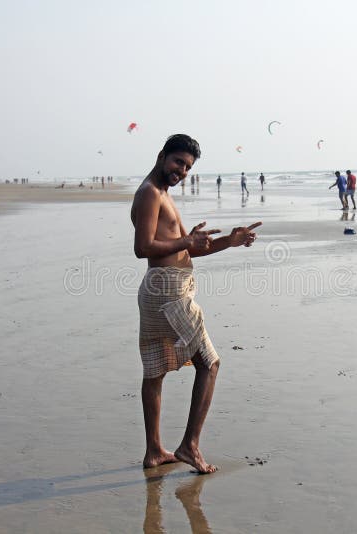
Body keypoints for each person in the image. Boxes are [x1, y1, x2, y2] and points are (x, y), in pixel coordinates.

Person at [131, 134, 261, 474]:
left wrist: (229, 242)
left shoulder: (161, 194)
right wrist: (187, 240)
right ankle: (189, 445)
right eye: (178, 162)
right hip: (169, 292)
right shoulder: (149, 193)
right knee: (209, 363)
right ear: (162, 156)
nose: (181, 171)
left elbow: (187, 249)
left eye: (187, 167)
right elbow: (142, 247)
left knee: (155, 371)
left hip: (161, 290)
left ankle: (154, 451)